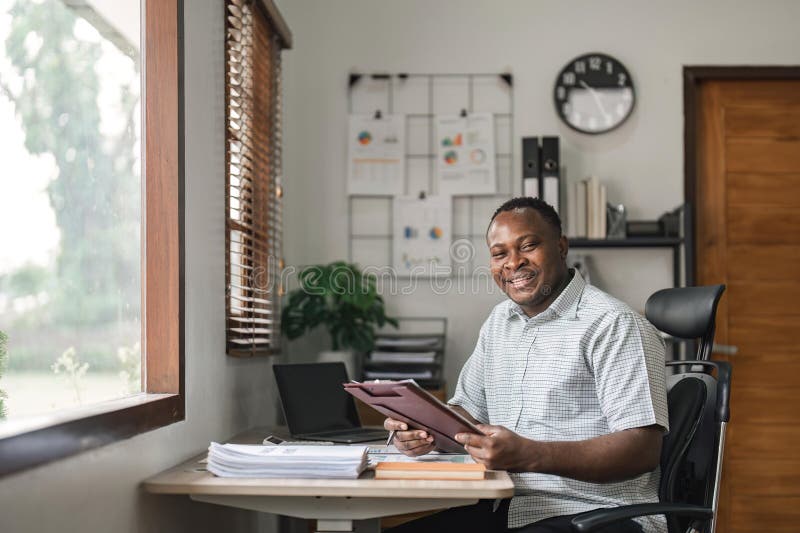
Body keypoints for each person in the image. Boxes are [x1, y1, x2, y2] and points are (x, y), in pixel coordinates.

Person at [384, 197, 669, 533]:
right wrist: (426, 430)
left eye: (528, 246)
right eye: (499, 253)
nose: (513, 263)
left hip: (595, 515)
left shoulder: (614, 324)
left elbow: (641, 450)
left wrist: (529, 455)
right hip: (506, 506)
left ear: (561, 247)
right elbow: (467, 414)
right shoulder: (499, 322)